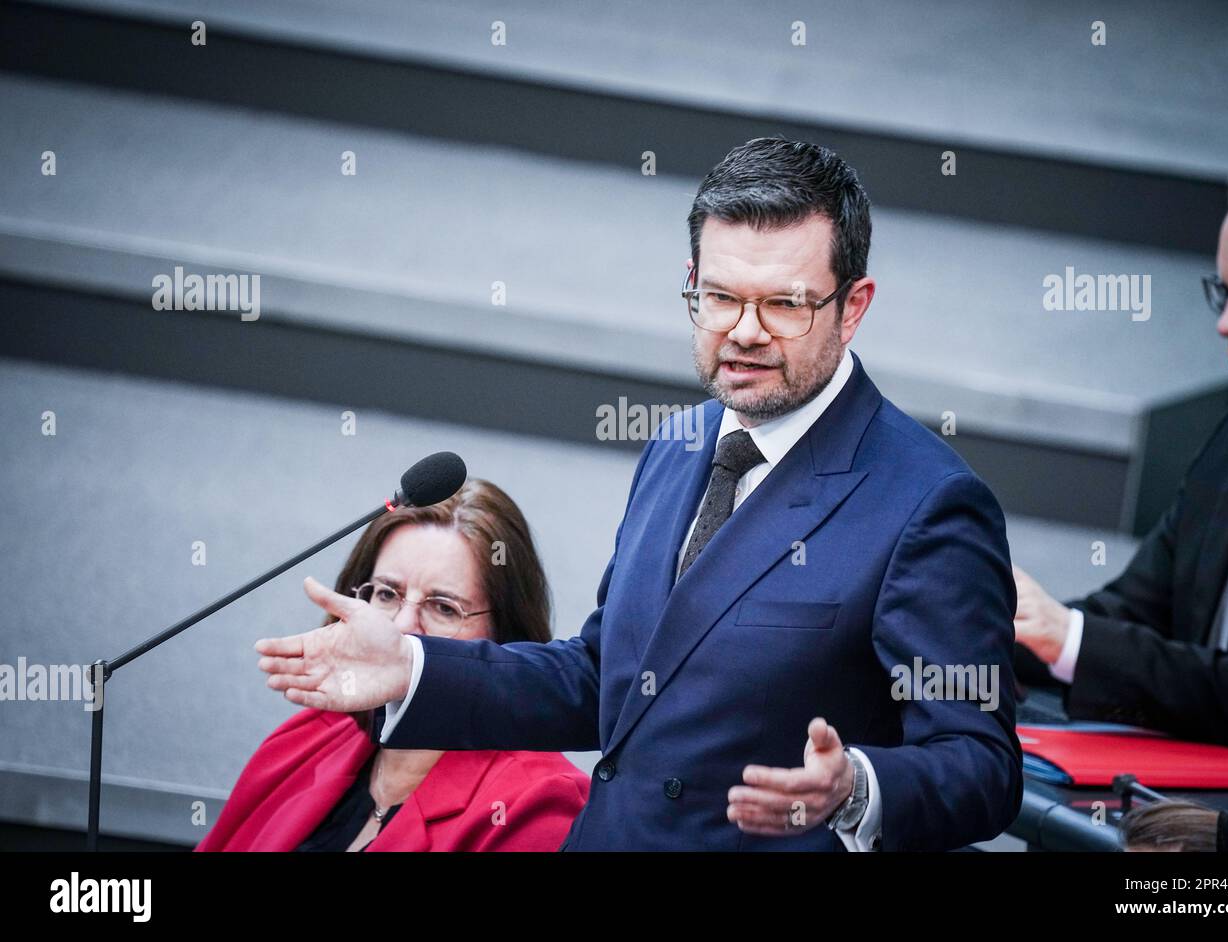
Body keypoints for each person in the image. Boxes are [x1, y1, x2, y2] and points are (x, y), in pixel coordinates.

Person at [257, 137, 1022, 851]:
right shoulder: (680, 441)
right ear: (692, 284)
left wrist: (857, 787)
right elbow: (606, 678)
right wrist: (416, 666)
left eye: (785, 305)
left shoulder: (930, 504)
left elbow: (982, 766)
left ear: (853, 306)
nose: (744, 331)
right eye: (719, 296)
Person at [1013, 144, 1228, 753]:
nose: (1227, 323)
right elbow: (1135, 612)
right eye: (1223, 292)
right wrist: (983, 631)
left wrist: (1070, 639)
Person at [196, 479, 588, 851]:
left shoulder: (536, 805)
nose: (401, 626)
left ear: (505, 638)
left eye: (442, 607)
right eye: (386, 594)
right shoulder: (309, 737)